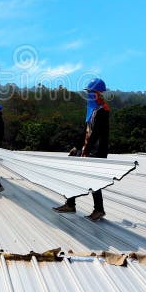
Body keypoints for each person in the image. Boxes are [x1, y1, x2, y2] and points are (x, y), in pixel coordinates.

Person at [53, 77, 110, 221]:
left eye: (92, 92)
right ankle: (70, 204)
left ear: (98, 93)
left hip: (96, 151)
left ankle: (98, 210)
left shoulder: (103, 110)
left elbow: (96, 133)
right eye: (88, 92)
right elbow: (86, 130)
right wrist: (77, 147)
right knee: (75, 176)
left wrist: (87, 150)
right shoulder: (93, 109)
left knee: (93, 181)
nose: (89, 95)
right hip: (88, 149)